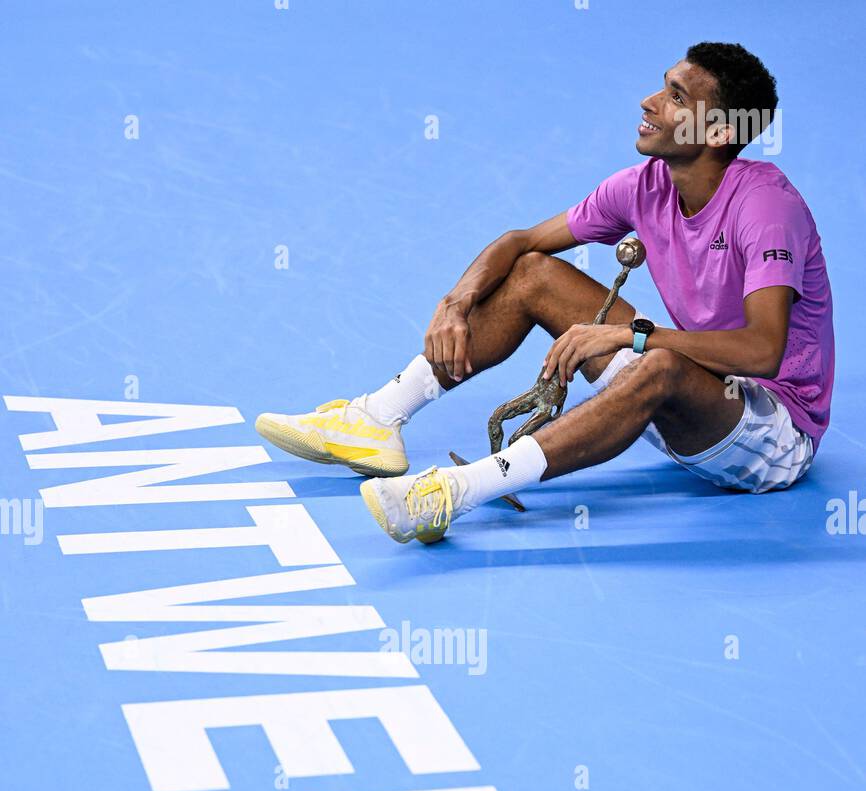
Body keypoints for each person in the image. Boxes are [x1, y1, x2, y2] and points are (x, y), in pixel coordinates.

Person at [256, 41, 834, 546]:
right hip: (689, 404)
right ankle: (381, 416)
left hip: (770, 436)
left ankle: (456, 492)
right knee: (536, 273)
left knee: (657, 365)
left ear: (719, 132)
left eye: (676, 97)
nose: (649, 102)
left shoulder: (765, 208)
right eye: (662, 87)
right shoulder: (645, 187)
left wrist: (630, 336)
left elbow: (763, 352)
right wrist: (455, 303)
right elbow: (521, 242)